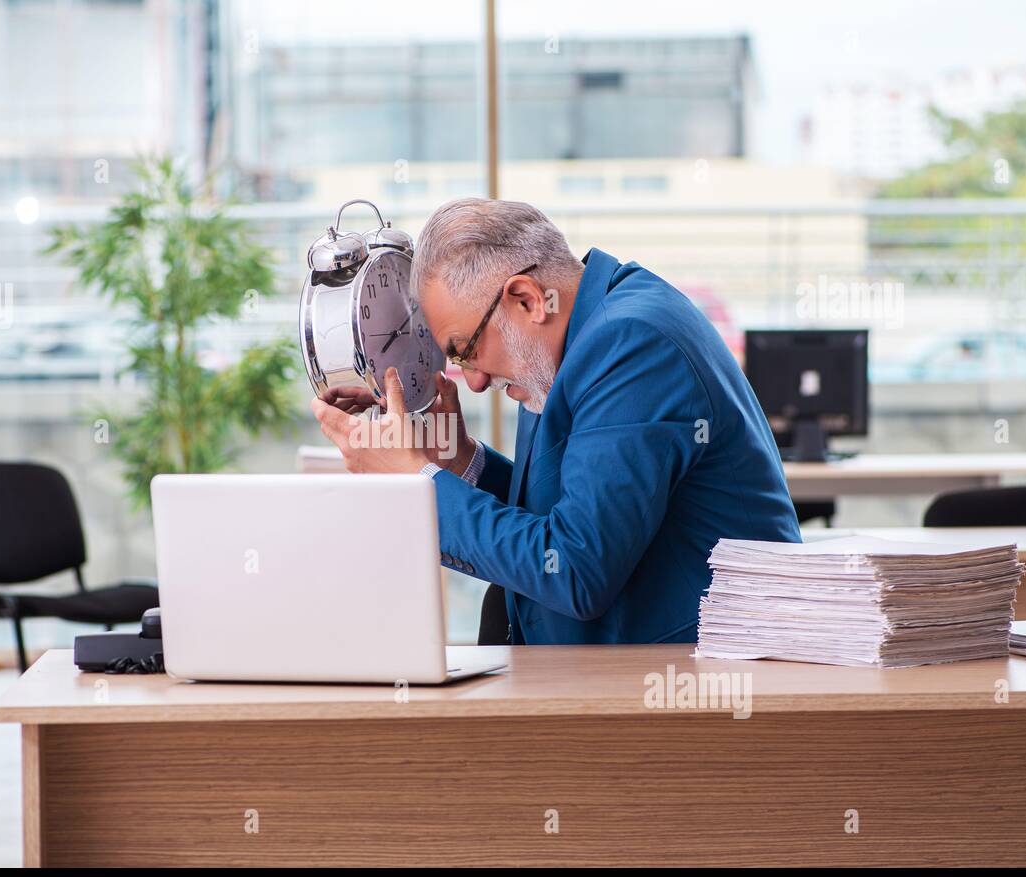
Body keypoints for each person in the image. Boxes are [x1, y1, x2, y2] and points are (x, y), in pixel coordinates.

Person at [312, 198, 800, 645]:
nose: (475, 382)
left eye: (468, 350)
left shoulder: (631, 346)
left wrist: (417, 479)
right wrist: (457, 461)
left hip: (684, 692)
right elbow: (562, 518)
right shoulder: (574, 338)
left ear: (525, 299)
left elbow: (573, 569)